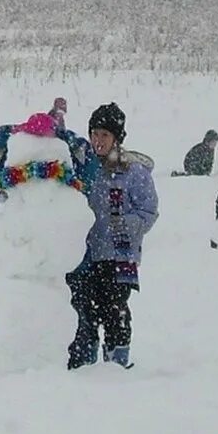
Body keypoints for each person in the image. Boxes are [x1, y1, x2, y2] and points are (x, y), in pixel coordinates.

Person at [60, 103, 159, 370]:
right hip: (86, 255)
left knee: (114, 310)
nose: (97, 140)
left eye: (104, 135)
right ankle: (83, 363)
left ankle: (116, 365)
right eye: (94, 133)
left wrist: (123, 225)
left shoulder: (133, 172)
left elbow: (149, 211)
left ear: (117, 138)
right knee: (82, 310)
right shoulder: (83, 168)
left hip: (119, 254)